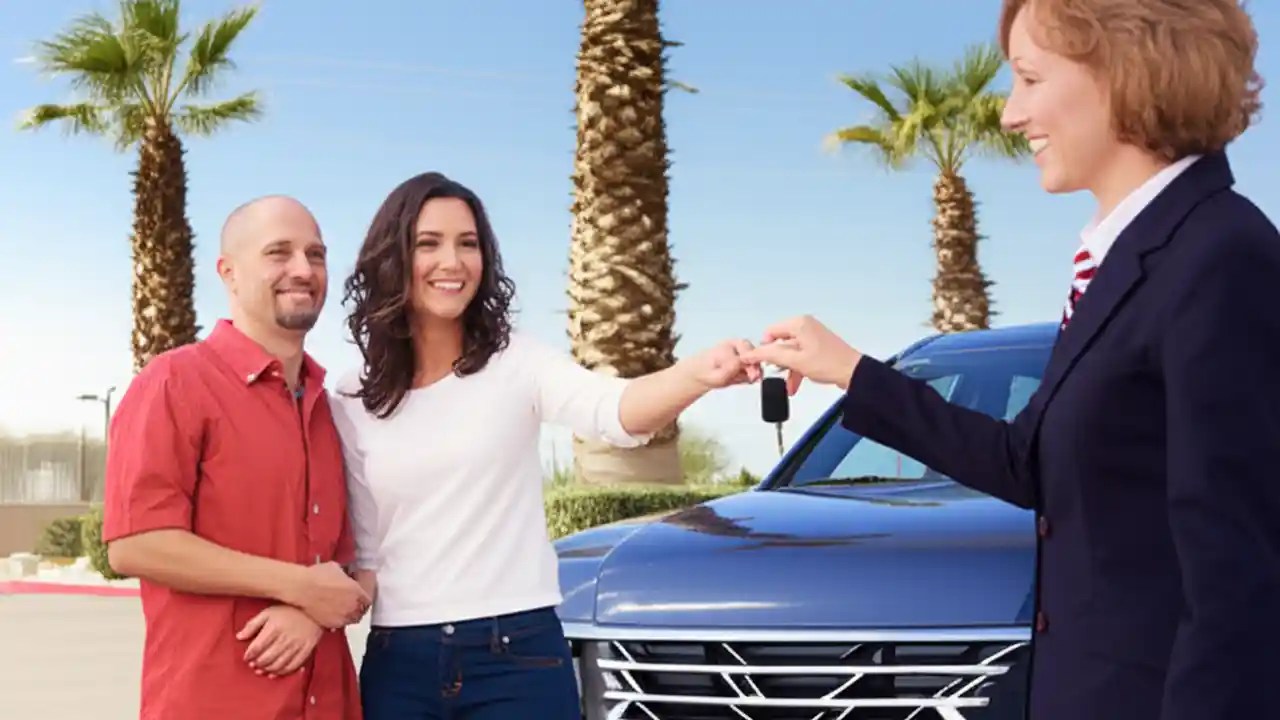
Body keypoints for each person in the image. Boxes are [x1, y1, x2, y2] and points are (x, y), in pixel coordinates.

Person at [745, 2, 1278, 719]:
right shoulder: (1129, 256)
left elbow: (1238, 586)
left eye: (1029, 78)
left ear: (1126, 71)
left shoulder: (1220, 257)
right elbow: (1028, 461)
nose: (1009, 114)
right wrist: (852, 371)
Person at [328, 171, 760, 719]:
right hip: (399, 663)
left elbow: (615, 412)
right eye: (428, 243)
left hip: (517, 657)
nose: (452, 262)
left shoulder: (517, 362)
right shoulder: (353, 395)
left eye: (468, 243)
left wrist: (698, 373)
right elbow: (366, 551)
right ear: (392, 257)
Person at [102, 196, 370, 719]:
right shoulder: (175, 383)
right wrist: (297, 586)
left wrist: (313, 612)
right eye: (279, 252)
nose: (303, 269)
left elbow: (345, 564)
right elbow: (137, 544)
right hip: (214, 702)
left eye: (316, 254)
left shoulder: (329, 407)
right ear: (229, 272)